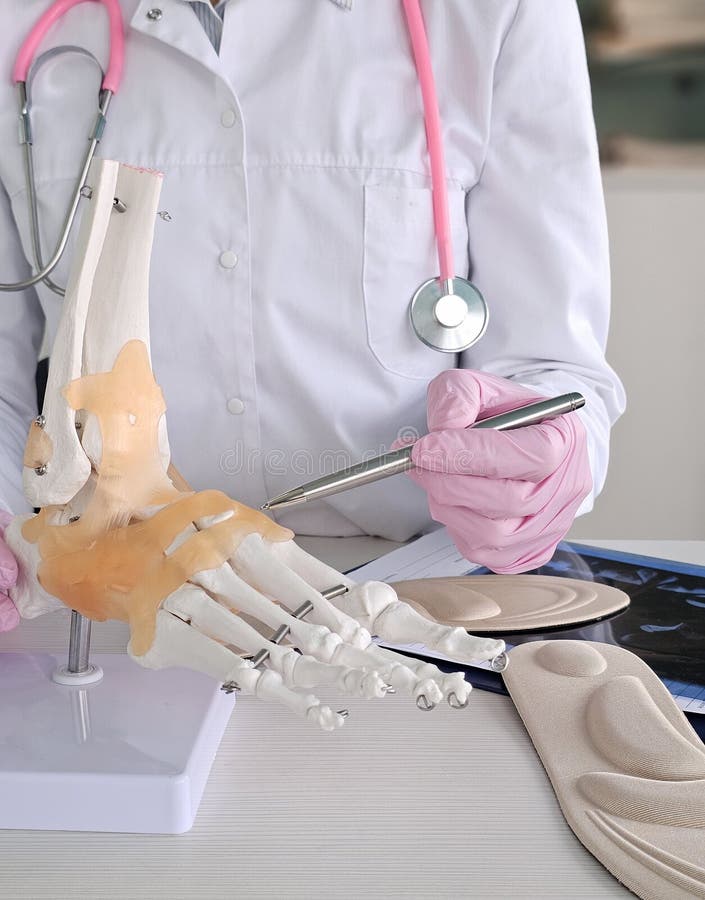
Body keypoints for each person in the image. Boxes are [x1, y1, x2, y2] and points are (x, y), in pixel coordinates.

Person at [0, 0, 625, 632]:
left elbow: (549, 374)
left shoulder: (501, 11)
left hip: (419, 599)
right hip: (100, 598)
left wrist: (539, 461)